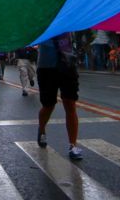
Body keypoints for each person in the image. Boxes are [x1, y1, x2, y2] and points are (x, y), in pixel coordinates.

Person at [35, 32, 83, 161]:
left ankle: (73, 145)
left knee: (70, 104)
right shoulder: (43, 18)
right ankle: (42, 128)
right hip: (46, 67)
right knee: (48, 105)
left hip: (67, 64)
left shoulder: (68, 15)